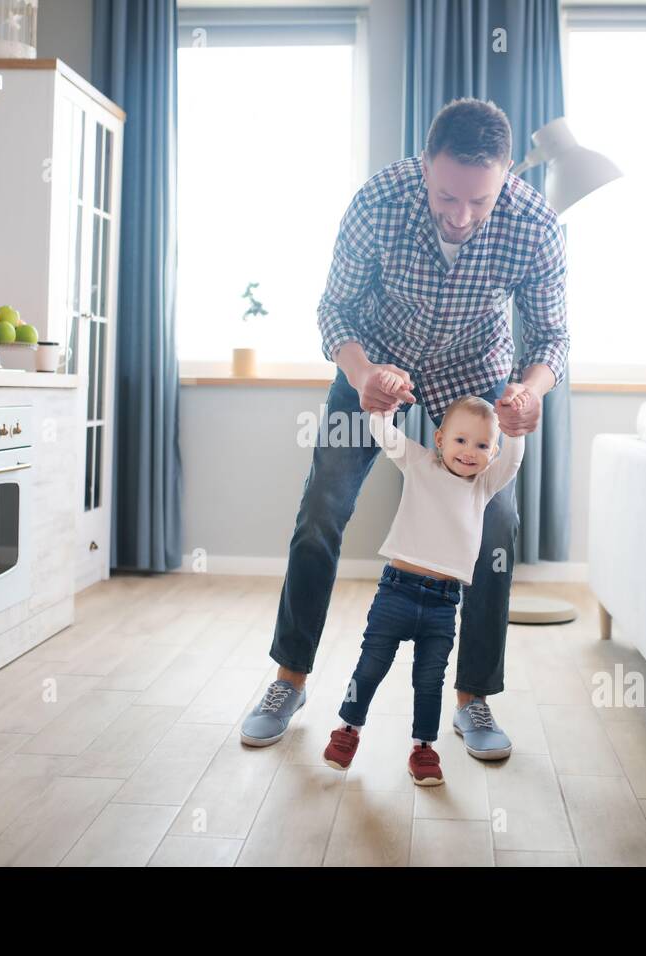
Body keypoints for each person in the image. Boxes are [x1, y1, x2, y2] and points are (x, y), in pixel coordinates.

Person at [241, 97, 568, 761]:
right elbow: (334, 308)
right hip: (375, 365)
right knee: (322, 508)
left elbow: (553, 335)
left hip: (476, 376)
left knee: (495, 525)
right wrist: (362, 374)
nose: (461, 216)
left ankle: (473, 697)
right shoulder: (380, 201)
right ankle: (289, 679)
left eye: (480, 201)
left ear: (506, 176)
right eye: (448, 195)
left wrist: (530, 394)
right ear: (425, 166)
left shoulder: (535, 223)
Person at [321, 380, 526, 785]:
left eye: (482, 446)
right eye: (461, 440)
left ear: (493, 454)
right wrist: (385, 404)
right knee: (370, 665)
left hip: (442, 604)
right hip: (396, 590)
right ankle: (348, 728)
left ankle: (423, 748)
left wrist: (514, 426)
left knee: (429, 680)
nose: (469, 452)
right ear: (439, 440)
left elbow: (514, 461)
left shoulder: (483, 487)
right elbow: (384, 433)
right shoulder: (419, 463)